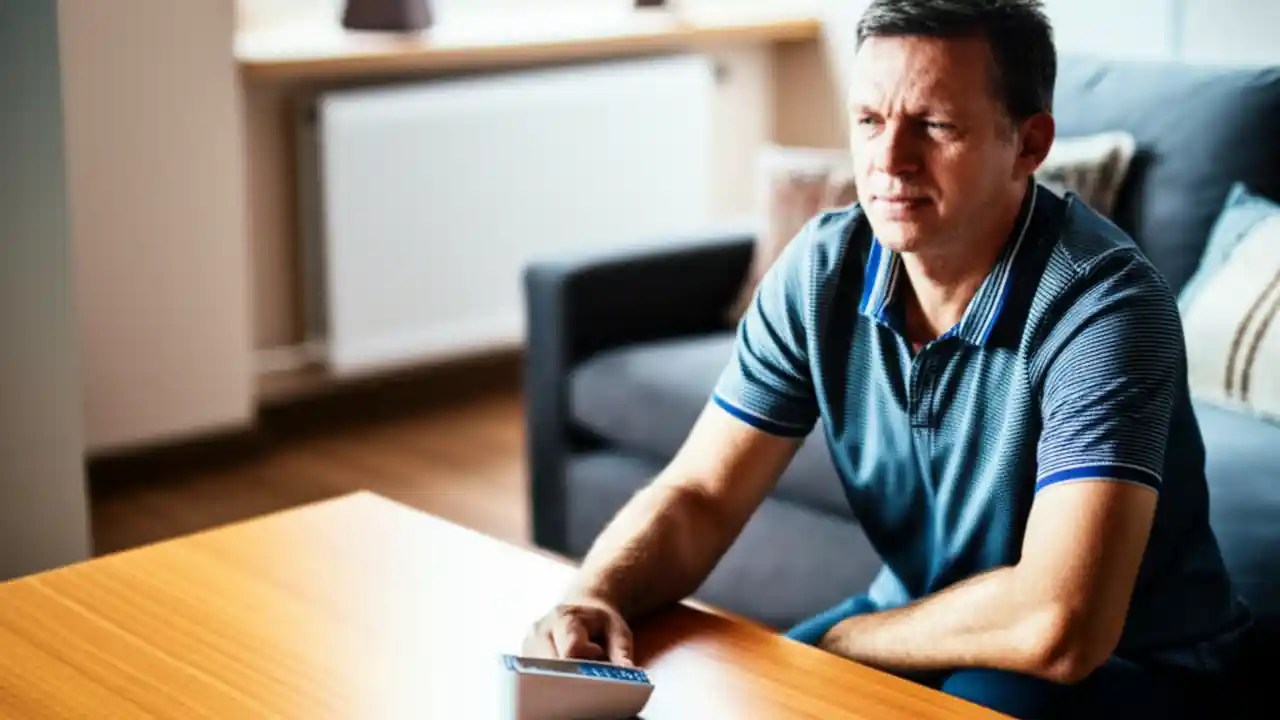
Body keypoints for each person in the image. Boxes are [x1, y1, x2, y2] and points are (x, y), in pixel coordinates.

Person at [523, 1, 1252, 715]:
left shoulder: (1106, 308)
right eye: (870, 122)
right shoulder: (822, 269)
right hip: (926, 622)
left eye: (934, 126)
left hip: (1134, 662)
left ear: (1028, 146)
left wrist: (841, 640)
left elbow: (1061, 624)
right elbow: (703, 495)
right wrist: (596, 593)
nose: (890, 162)